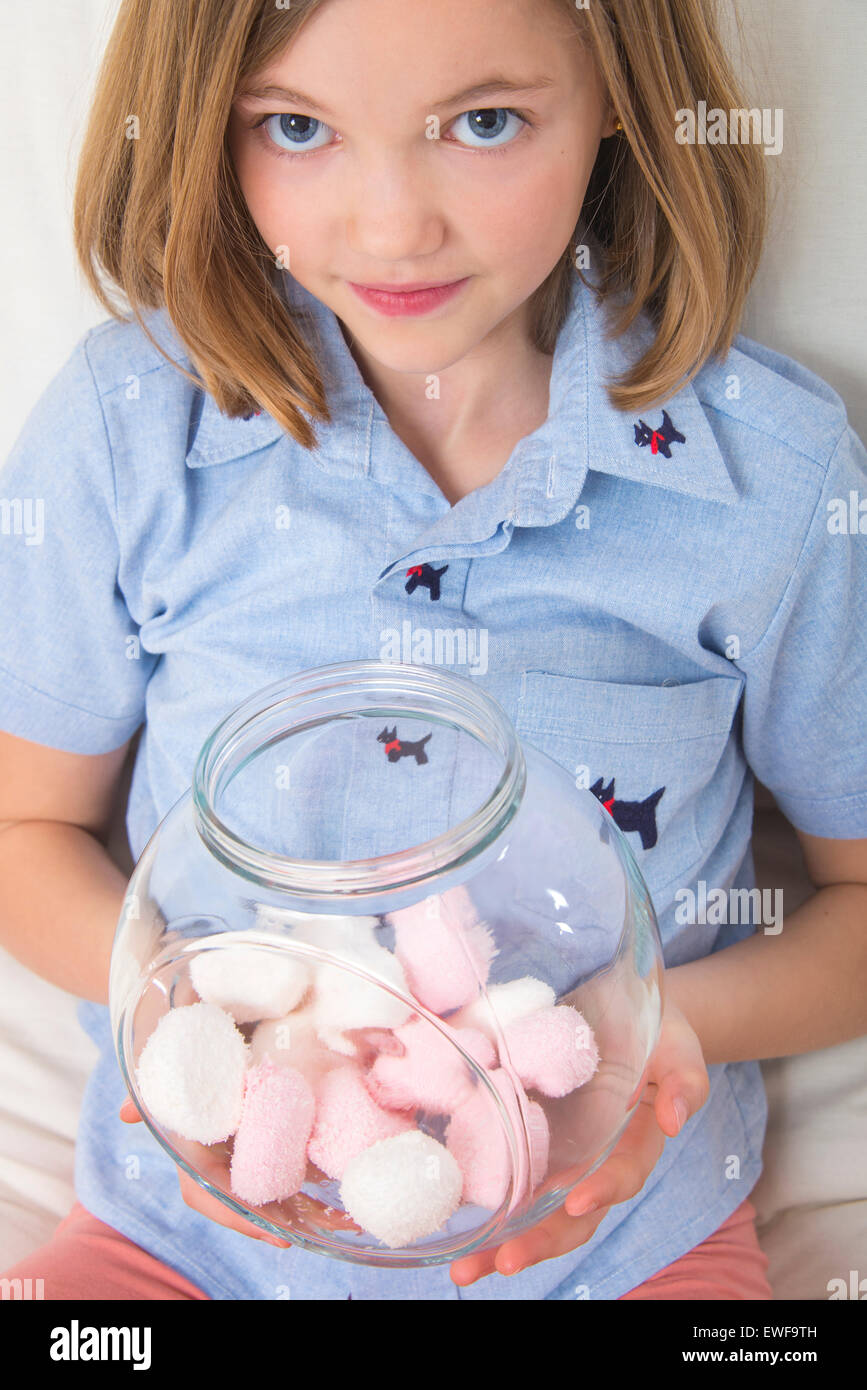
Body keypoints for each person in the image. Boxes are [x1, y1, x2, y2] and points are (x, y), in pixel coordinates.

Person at [1, 0, 865, 1301]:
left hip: (627, 1244)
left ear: (620, 91)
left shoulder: (776, 488)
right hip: (189, 1242)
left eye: (484, 122)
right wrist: (183, 1024)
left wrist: (664, 1029)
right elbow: (24, 831)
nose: (393, 224)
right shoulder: (130, 436)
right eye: (297, 127)